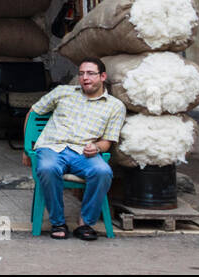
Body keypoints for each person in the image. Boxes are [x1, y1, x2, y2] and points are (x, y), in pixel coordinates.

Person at [28, 58, 126, 241]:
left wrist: (96, 147)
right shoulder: (62, 92)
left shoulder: (115, 106)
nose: (85, 78)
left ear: (103, 76)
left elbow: (107, 141)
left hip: (83, 153)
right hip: (52, 147)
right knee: (47, 168)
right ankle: (58, 222)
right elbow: (34, 111)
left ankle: (85, 223)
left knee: (103, 171)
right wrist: (27, 149)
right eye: (81, 74)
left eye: (90, 73)